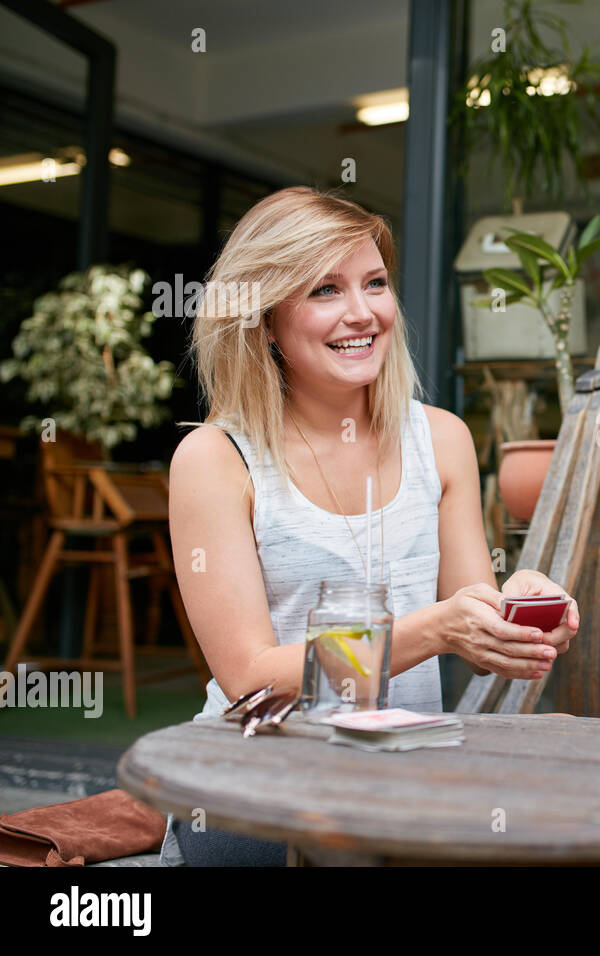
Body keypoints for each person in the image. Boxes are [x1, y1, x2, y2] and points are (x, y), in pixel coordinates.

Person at [162, 187, 578, 864]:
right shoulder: (215, 459)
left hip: (402, 772)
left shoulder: (439, 439)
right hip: (258, 779)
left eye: (375, 284)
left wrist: (517, 606)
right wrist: (432, 628)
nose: (363, 313)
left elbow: (470, 616)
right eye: (325, 290)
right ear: (264, 320)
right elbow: (250, 682)